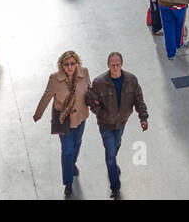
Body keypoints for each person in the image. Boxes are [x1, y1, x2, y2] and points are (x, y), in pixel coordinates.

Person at [84, 53, 149, 198]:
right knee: (110, 155)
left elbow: (139, 99)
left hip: (121, 122)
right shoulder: (99, 82)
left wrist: (143, 118)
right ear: (108, 65)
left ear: (122, 64)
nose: (115, 67)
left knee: (117, 144)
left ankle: (113, 165)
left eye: (118, 64)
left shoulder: (131, 80)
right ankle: (115, 187)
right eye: (112, 65)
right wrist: (101, 113)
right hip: (106, 124)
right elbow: (89, 99)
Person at [33, 50, 91, 196]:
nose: (70, 67)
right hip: (63, 121)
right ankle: (68, 183)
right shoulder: (54, 79)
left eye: (73, 63)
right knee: (67, 151)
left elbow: (90, 91)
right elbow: (46, 97)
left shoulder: (84, 73)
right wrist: (38, 114)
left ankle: (72, 164)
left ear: (77, 63)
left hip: (80, 118)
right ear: (61, 65)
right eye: (66, 64)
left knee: (77, 144)